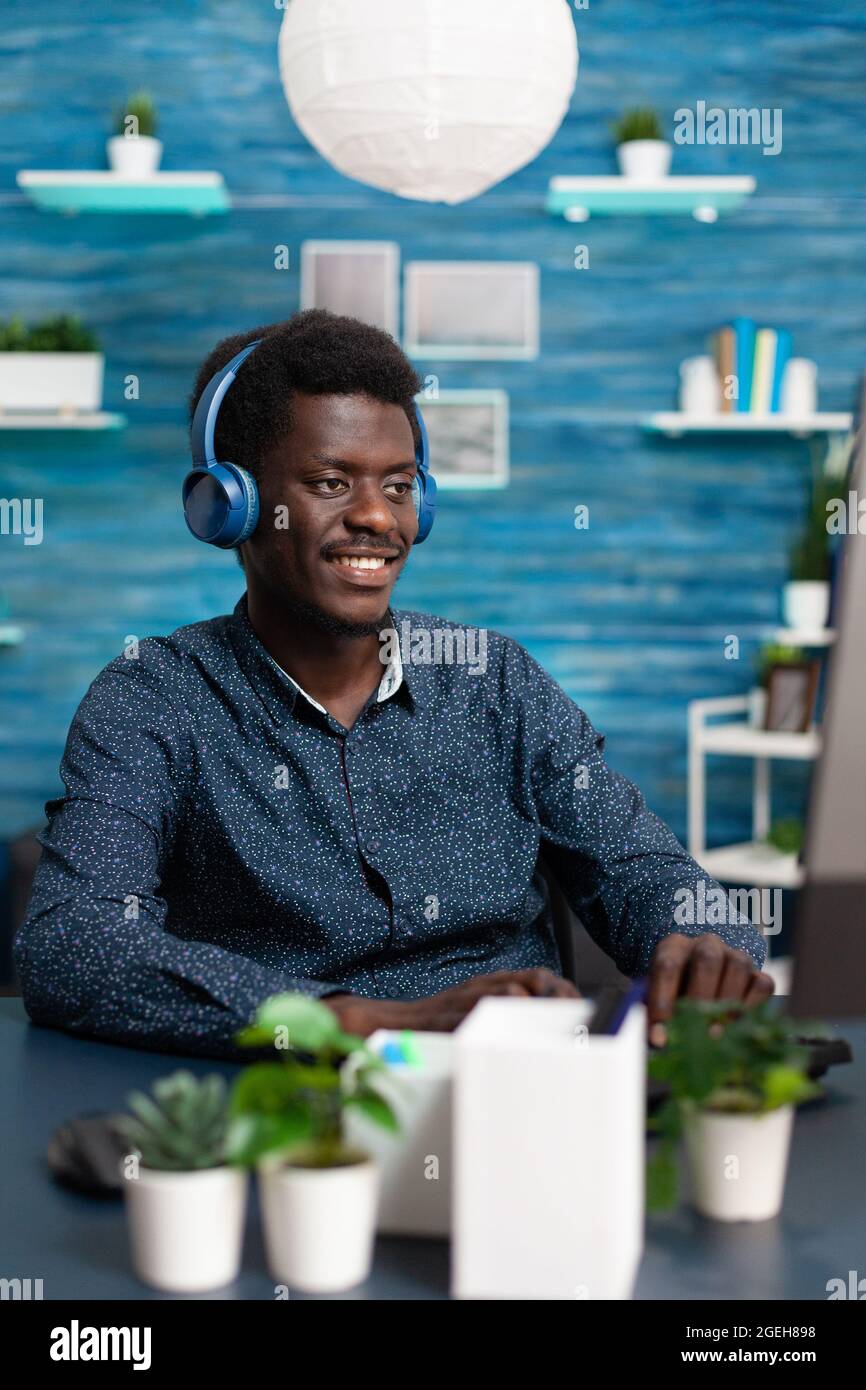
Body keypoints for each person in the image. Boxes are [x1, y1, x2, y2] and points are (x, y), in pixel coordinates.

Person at [15, 311, 772, 1058]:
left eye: (401, 486)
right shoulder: (154, 697)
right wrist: (373, 1021)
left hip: (521, 1098)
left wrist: (706, 947)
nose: (377, 516)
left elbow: (644, 873)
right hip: (294, 1114)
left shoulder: (495, 681)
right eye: (330, 481)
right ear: (228, 505)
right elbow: (70, 946)